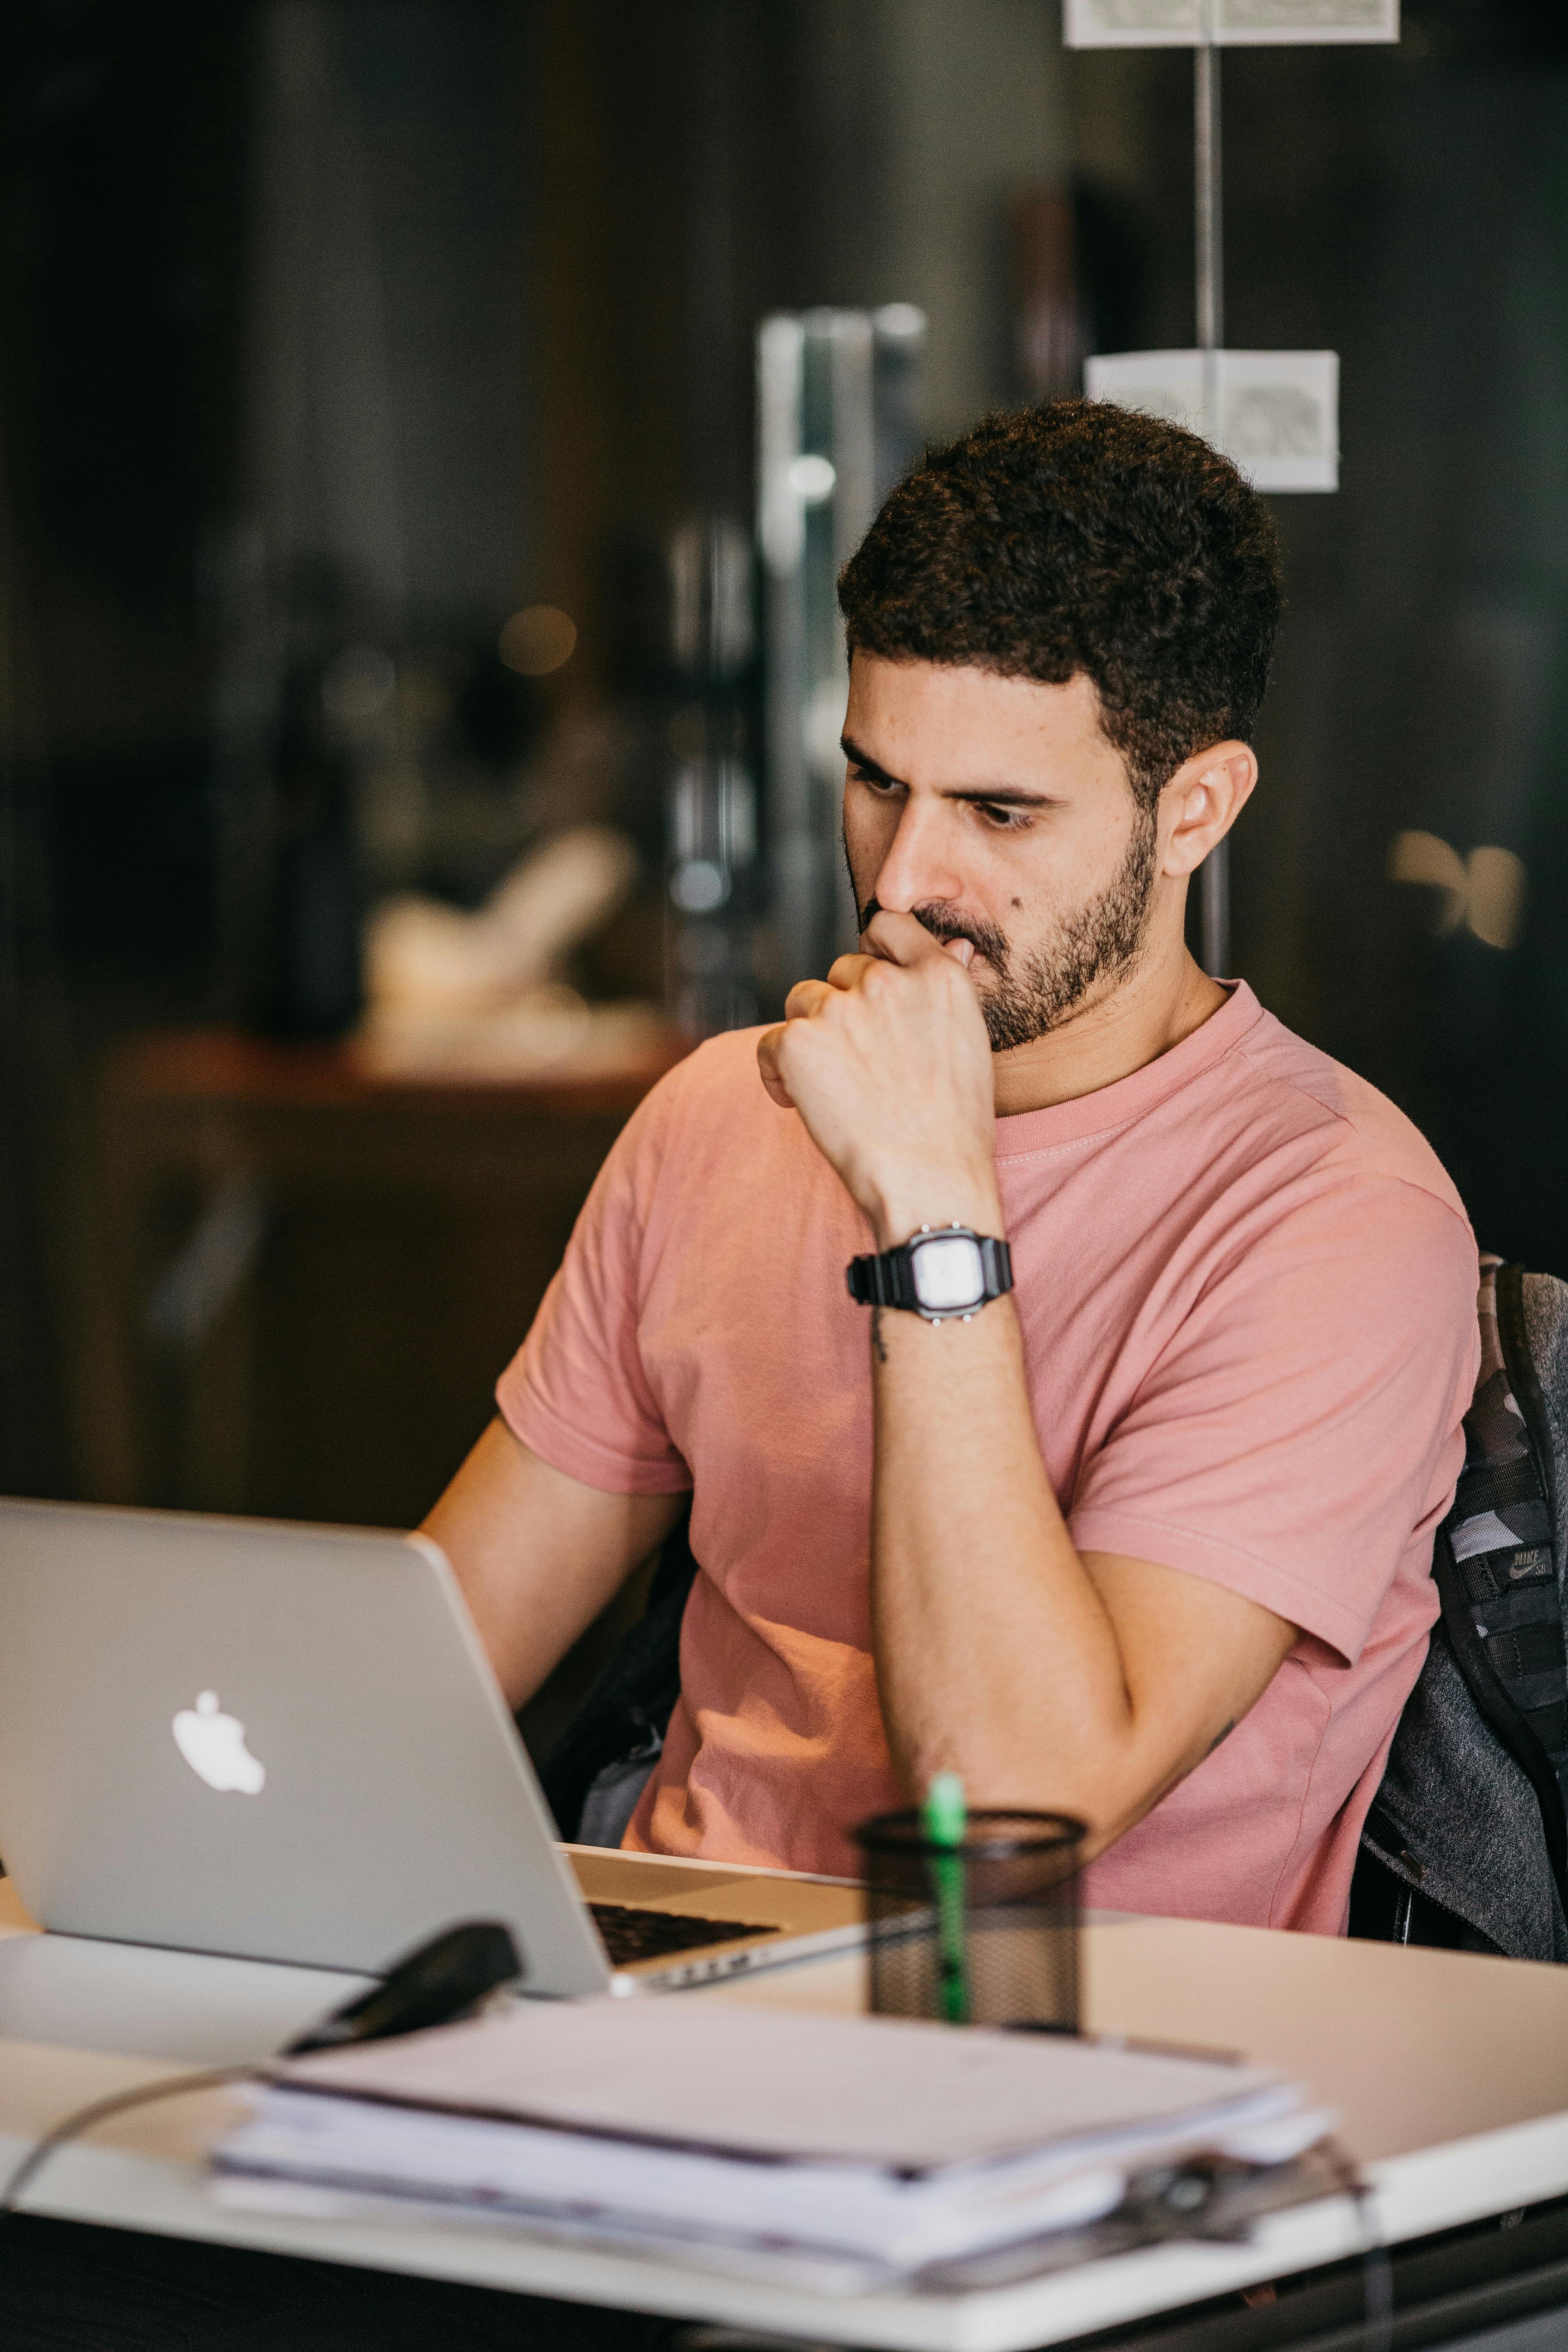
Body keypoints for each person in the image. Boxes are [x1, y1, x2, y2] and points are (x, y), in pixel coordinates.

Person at [426, 399, 1479, 1936]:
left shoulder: (1339, 1219)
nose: (906, 880)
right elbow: (440, 1651)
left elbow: (1010, 1808)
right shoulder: (726, 1113)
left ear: (1195, 809)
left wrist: (933, 1207)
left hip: (1087, 2076)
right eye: (875, 781)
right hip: (669, 2004)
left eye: (999, 811)